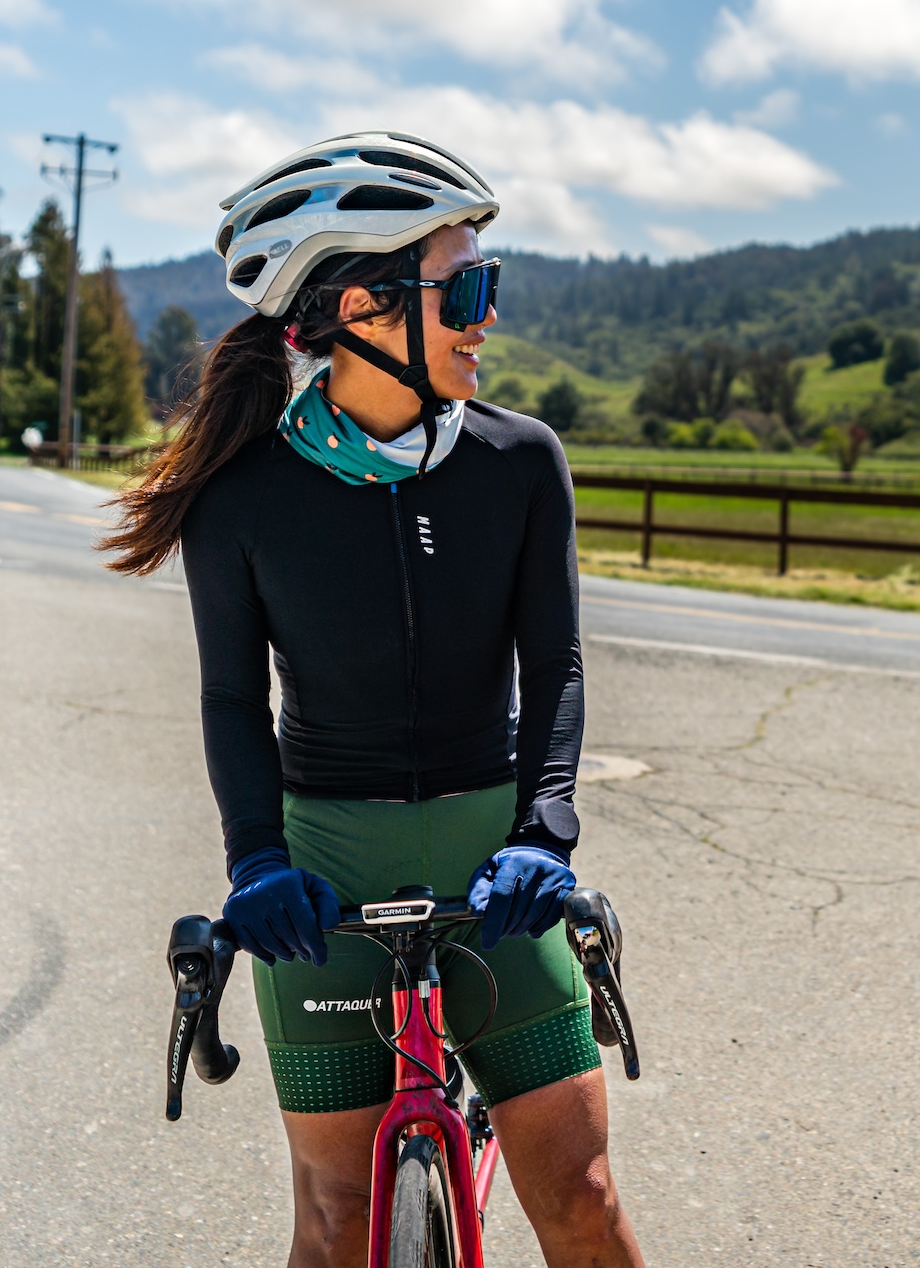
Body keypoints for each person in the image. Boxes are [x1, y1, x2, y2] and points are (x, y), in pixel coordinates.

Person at [104, 132, 645, 1268]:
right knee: (334, 1220)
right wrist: (256, 862)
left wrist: (543, 830)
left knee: (583, 1196)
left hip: (493, 855)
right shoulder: (241, 498)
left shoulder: (520, 463)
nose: (485, 318)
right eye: (467, 290)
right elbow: (231, 698)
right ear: (364, 307)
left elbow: (554, 664)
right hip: (324, 867)